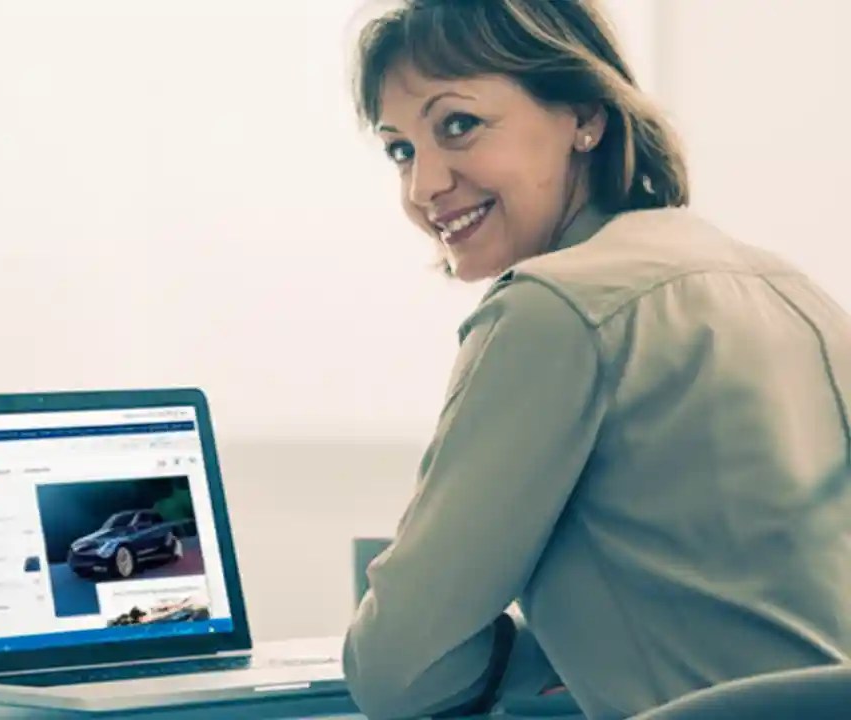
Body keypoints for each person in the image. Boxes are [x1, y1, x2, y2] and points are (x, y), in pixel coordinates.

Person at [341, 1, 851, 719]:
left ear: (585, 115)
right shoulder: (795, 291)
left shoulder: (553, 308)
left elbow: (396, 673)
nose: (424, 187)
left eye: (458, 125)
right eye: (401, 150)